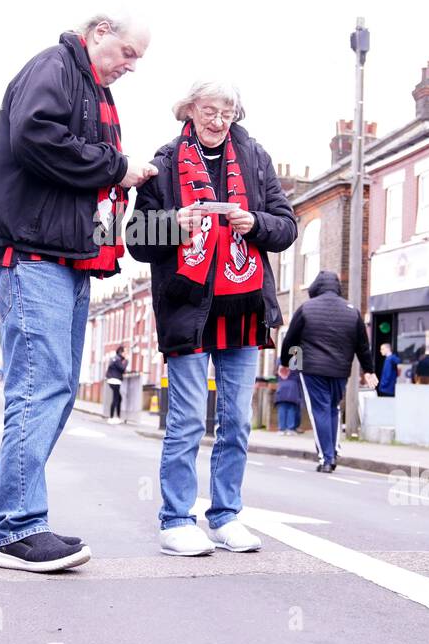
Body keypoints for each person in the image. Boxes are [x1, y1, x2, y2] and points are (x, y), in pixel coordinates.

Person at [0, 13, 156, 572]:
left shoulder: (84, 84)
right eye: (127, 52)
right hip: (33, 253)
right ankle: (18, 529)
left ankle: (1, 520)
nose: (131, 65)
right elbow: (35, 136)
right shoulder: (54, 67)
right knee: (41, 389)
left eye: (138, 60)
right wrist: (117, 167)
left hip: (64, 256)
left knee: (46, 391)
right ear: (100, 30)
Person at [127, 80, 297, 556]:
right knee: (184, 421)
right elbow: (136, 240)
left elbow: (286, 226)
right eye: (209, 111)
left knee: (237, 422)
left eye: (227, 112)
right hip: (187, 308)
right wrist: (171, 225)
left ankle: (225, 517)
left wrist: (255, 223)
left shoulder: (255, 156)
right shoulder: (164, 161)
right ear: (189, 111)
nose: (218, 121)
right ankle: (176, 520)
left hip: (243, 309)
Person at [278, 272, 378, 473]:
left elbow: (291, 339)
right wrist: (369, 370)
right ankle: (332, 450)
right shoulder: (352, 311)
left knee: (319, 411)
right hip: (341, 370)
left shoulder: (306, 308)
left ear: (316, 286)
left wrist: (286, 363)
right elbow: (363, 345)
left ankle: (326, 457)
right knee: (333, 408)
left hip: (313, 369)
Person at [274, 367, 303, 434]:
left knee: (282, 408)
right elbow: (300, 374)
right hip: (293, 387)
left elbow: (276, 373)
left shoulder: (280, 359)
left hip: (281, 386)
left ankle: (281, 429)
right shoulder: (297, 360)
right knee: (291, 408)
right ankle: (290, 428)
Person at [105, 346, 127, 424]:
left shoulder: (114, 358)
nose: (126, 354)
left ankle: (117, 417)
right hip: (115, 381)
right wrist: (126, 361)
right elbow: (122, 369)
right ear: (121, 352)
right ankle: (111, 418)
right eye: (125, 352)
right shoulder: (117, 360)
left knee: (118, 398)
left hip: (112, 380)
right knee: (116, 398)